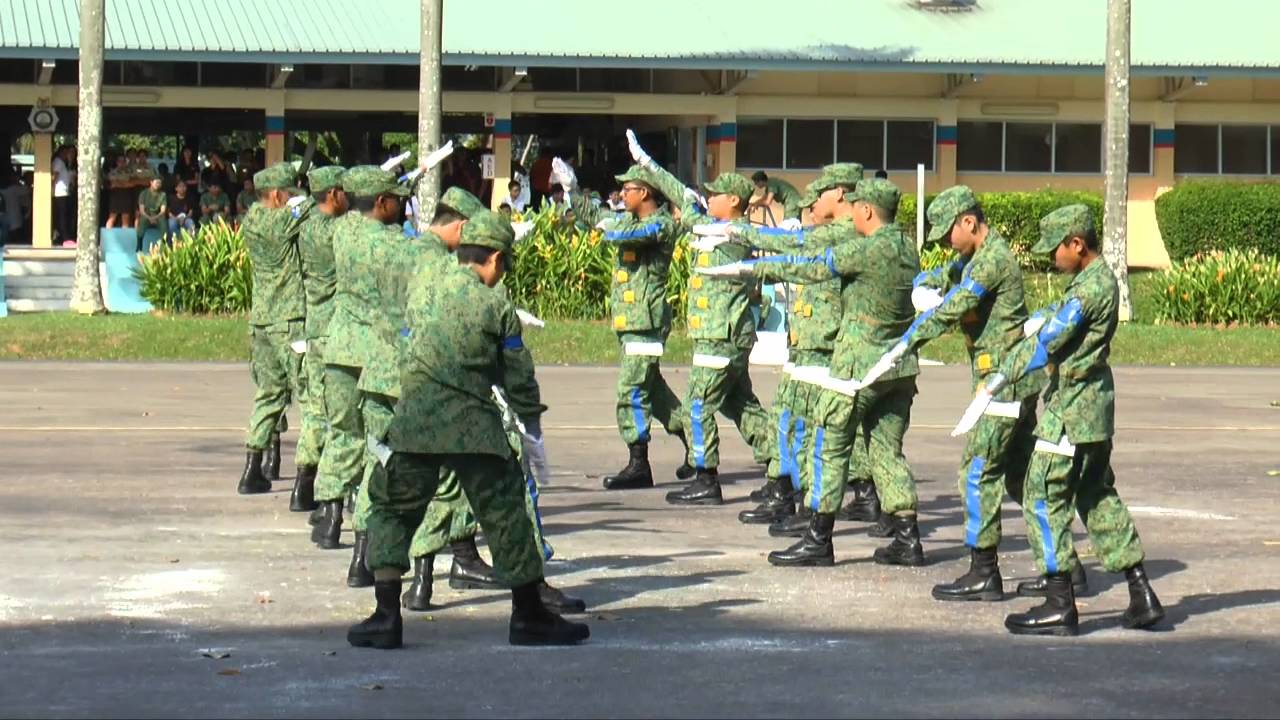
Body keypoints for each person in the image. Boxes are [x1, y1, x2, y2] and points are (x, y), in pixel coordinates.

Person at [348, 210, 590, 649]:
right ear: (495, 259)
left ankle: (385, 615)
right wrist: (531, 426)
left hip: (414, 424)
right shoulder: (494, 304)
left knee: (393, 511)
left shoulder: (424, 293)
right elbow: (518, 376)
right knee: (506, 515)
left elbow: (406, 350)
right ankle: (528, 615)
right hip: (473, 428)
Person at [701, 179, 923, 567]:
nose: (851, 211)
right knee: (886, 451)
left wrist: (746, 267)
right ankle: (908, 537)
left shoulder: (868, 249)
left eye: (856, 206)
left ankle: (818, 536)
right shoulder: (906, 248)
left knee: (829, 443)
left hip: (859, 365)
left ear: (867, 211)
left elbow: (811, 268)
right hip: (898, 368)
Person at [984, 204, 1163, 636]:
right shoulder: (1094, 281)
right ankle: (1141, 593)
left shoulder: (1089, 290)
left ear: (1077, 244)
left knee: (1042, 494)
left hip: (1072, 411)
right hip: (1094, 408)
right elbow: (1053, 318)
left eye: (1056, 250)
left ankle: (1059, 601)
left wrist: (998, 376)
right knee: (1097, 495)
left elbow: (1050, 340)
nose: (1051, 258)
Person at [873, 185, 1052, 601]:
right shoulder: (974, 258)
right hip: (1010, 379)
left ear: (968, 222)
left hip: (1004, 383)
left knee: (976, 470)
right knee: (1022, 477)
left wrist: (907, 341)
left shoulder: (991, 261)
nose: (947, 244)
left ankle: (984, 571)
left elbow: (956, 305)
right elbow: (947, 277)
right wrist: (923, 282)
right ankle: (1061, 563)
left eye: (949, 234)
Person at [626, 135, 773, 506]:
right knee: (741, 405)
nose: (710, 199)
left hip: (722, 338)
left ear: (734, 201)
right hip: (721, 337)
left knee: (698, 402)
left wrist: (651, 169)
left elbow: (691, 208)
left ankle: (706, 478)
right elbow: (683, 199)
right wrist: (649, 167)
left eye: (717, 195)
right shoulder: (715, 228)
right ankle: (783, 467)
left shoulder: (737, 234)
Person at [725, 164, 865, 531]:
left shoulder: (849, 235)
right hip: (805, 346)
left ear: (840, 193)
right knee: (787, 420)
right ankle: (785, 492)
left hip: (827, 348)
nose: (811, 206)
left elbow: (797, 252)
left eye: (818, 196)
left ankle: (807, 503)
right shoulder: (828, 234)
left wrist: (742, 240)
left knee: (815, 433)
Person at [562, 162, 692, 491]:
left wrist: (607, 226)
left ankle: (639, 464)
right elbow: (597, 219)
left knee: (631, 390)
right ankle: (699, 444)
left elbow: (620, 233)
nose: (622, 194)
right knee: (654, 393)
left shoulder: (659, 224)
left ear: (645, 192)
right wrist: (571, 192)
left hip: (646, 323)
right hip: (631, 323)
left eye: (628, 189)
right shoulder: (630, 221)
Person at [236, 163, 308, 496]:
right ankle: (306, 478)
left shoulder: (252, 218)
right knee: (307, 396)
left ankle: (252, 467)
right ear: (278, 194)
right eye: (289, 191)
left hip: (261, 319)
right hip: (289, 318)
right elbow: (313, 206)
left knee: (268, 392)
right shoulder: (284, 219)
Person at [289, 165, 347, 518]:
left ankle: (303, 482)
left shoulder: (303, 226)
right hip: (338, 330)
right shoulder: (340, 231)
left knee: (313, 410)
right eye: (342, 190)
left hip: (313, 326)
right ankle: (332, 493)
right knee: (342, 416)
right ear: (331, 194)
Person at [135, 176, 167, 253]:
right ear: (151, 182)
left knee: (163, 223)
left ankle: (164, 247)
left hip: (157, 215)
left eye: (159, 183)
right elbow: (141, 210)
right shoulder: (144, 193)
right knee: (142, 221)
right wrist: (150, 218)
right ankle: (139, 245)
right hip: (146, 214)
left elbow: (163, 210)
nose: (158, 184)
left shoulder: (163, 194)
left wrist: (155, 217)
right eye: (156, 182)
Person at [52, 145, 76, 244]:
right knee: (62, 216)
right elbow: (54, 177)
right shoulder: (58, 162)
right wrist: (52, 189)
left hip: (64, 192)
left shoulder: (63, 163)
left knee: (63, 215)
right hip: (59, 192)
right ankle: (65, 238)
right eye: (67, 153)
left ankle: (62, 237)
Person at [106, 154, 133, 229]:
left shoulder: (129, 172)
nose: (122, 163)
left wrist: (119, 183)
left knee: (125, 219)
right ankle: (108, 238)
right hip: (115, 197)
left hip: (126, 197)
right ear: (117, 162)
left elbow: (132, 183)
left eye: (123, 161)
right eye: (120, 161)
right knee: (112, 218)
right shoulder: (112, 172)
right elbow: (112, 183)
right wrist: (124, 184)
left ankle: (124, 238)